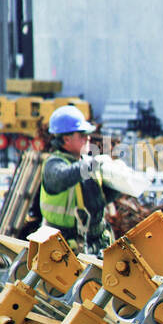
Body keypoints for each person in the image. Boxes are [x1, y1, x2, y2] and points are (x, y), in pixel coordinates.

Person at [39, 104, 110, 252]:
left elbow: (96, 200)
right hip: (64, 248)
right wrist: (93, 164)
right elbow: (63, 177)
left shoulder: (84, 163)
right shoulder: (54, 165)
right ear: (66, 139)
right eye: (82, 135)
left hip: (94, 245)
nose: (88, 138)